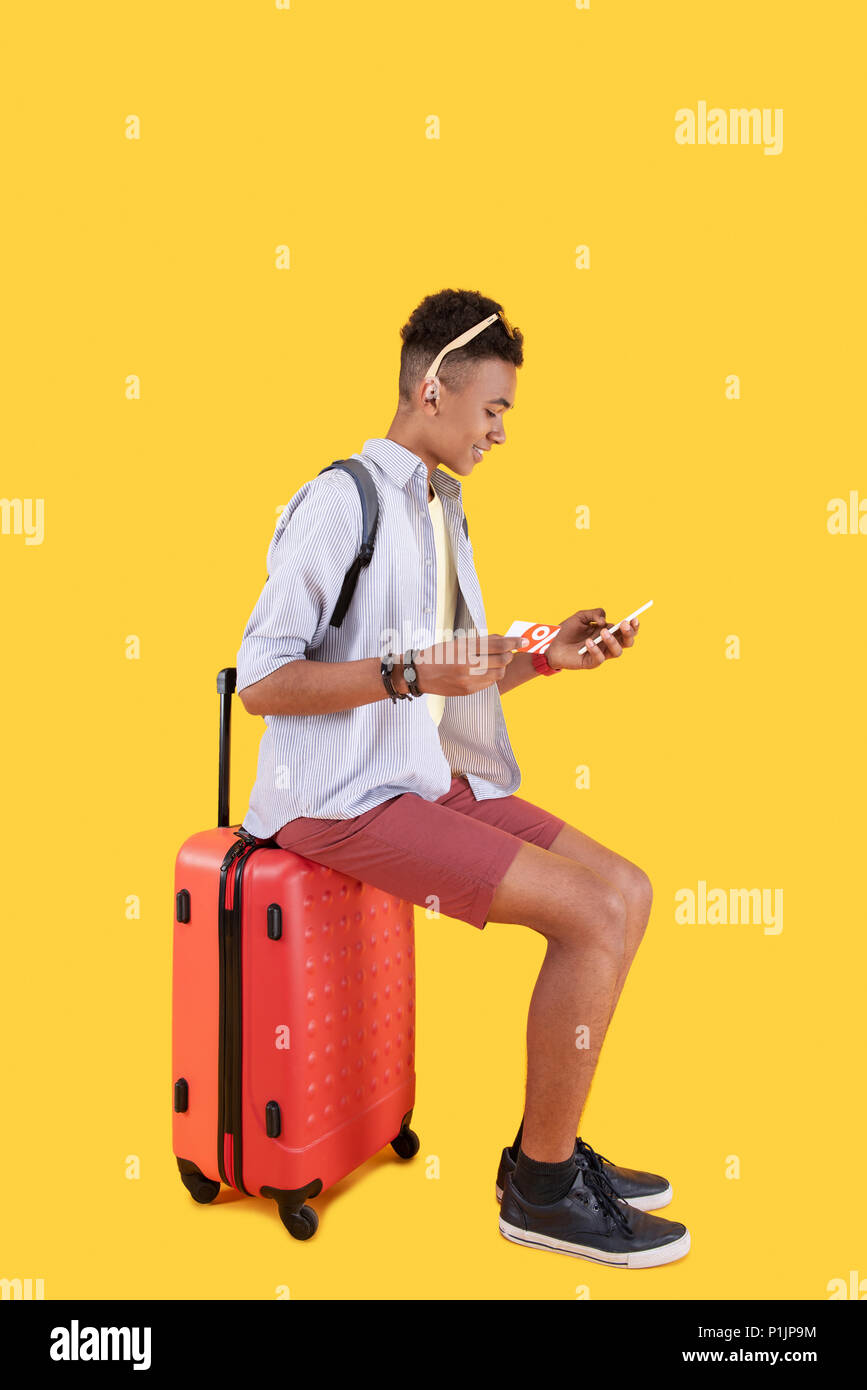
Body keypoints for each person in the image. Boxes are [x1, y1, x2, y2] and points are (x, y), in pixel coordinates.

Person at [234, 287, 690, 1268]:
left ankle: (550, 1152)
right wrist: (405, 673)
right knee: (591, 916)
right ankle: (540, 1183)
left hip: (422, 774)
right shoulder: (340, 501)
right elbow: (263, 682)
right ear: (433, 388)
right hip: (341, 799)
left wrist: (548, 655)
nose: (499, 432)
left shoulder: (444, 511)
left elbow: (454, 667)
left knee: (629, 892)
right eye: (494, 410)